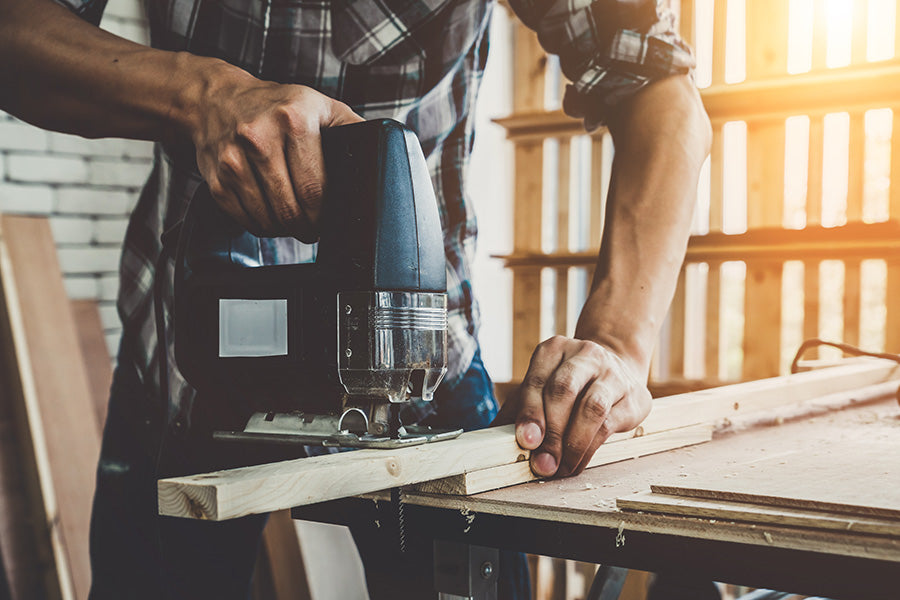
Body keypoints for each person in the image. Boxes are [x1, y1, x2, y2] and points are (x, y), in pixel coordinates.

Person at [0, 0, 711, 597]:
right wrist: (202, 96)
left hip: (420, 363)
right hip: (188, 359)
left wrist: (616, 342)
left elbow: (663, 93)